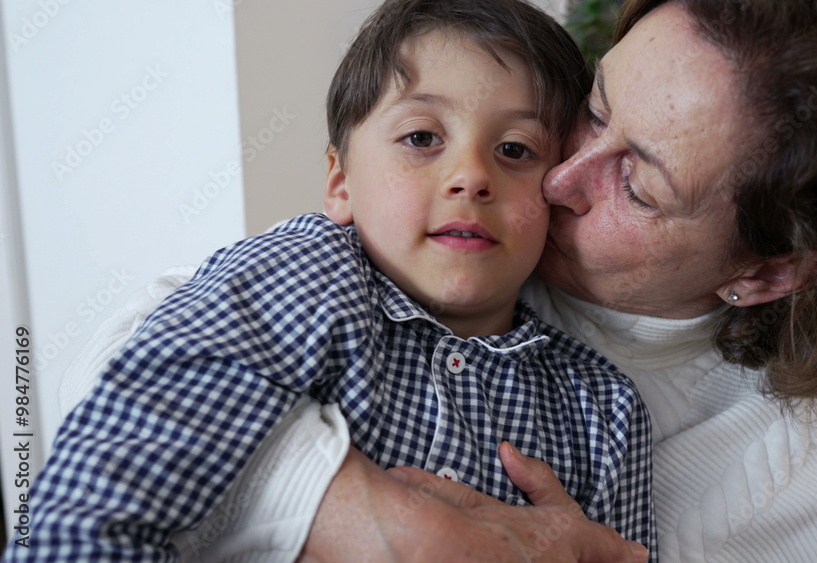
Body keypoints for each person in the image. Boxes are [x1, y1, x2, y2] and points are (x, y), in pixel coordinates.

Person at [168, 0, 817, 561]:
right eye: (595, 103)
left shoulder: (804, 489)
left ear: (766, 271)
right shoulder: (435, 241)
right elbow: (119, 360)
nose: (556, 179)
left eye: (640, 186)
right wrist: (335, 504)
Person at [3, 1, 660, 561]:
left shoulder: (601, 409)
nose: (471, 175)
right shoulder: (309, 276)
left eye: (514, 149)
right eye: (423, 136)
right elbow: (114, 468)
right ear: (340, 182)